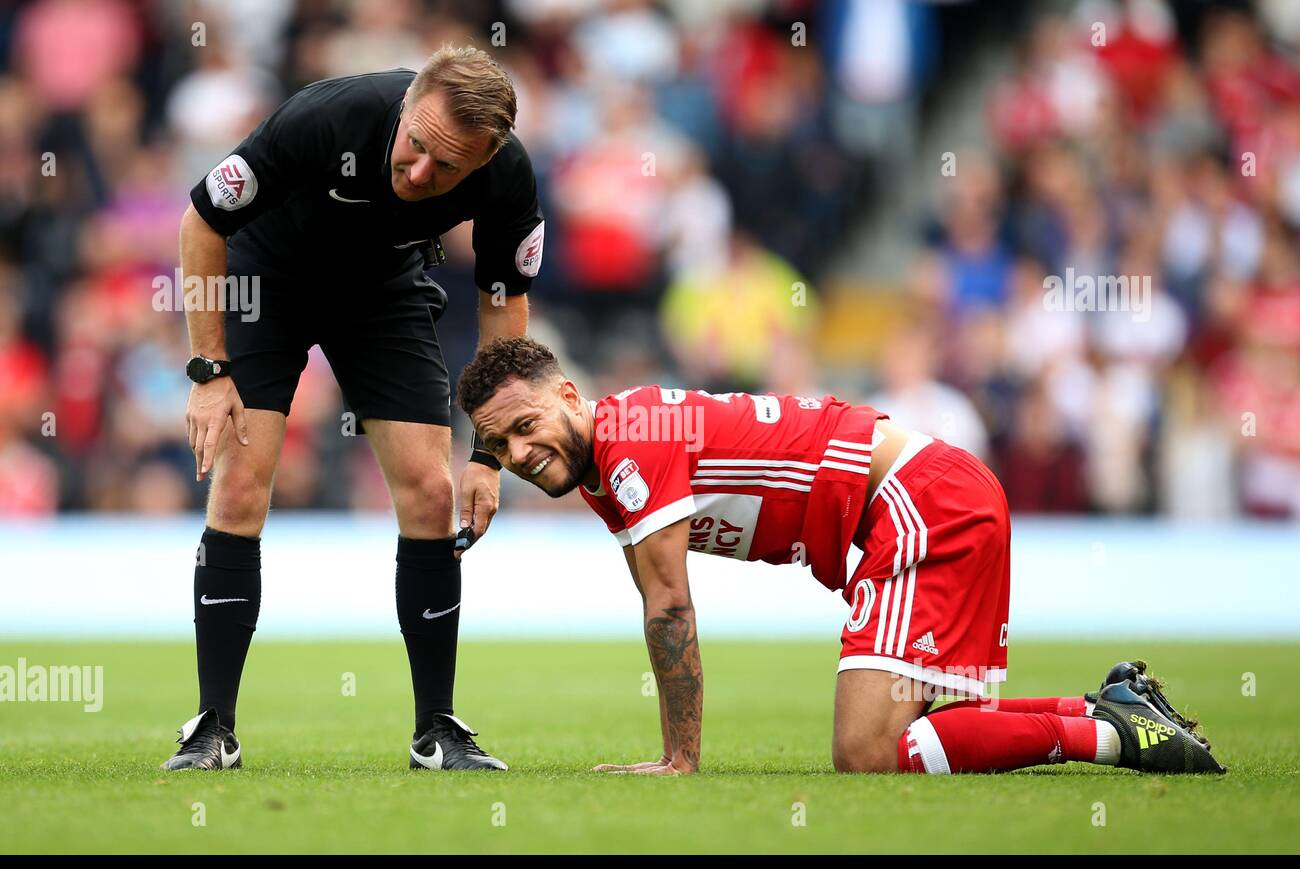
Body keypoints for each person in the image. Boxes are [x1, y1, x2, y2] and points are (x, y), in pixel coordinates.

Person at [456, 337, 1225, 776]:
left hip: (918, 506)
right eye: (498, 446)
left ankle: (1115, 737)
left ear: (567, 392)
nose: (519, 453)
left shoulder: (632, 444)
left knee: (867, 753)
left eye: (525, 425)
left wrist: (677, 760)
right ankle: (1104, 712)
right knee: (911, 736)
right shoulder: (612, 455)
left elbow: (669, 606)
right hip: (924, 500)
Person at [165, 46, 545, 772]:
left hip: (380, 293)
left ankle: (436, 729)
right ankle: (213, 726)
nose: (423, 175)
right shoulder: (327, 116)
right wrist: (210, 371)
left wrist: (490, 452)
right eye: (417, 147)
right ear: (407, 106)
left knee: (433, 493)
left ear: (488, 157)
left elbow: (505, 304)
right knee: (242, 485)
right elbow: (201, 220)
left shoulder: (508, 174)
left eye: (451, 168)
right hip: (266, 278)